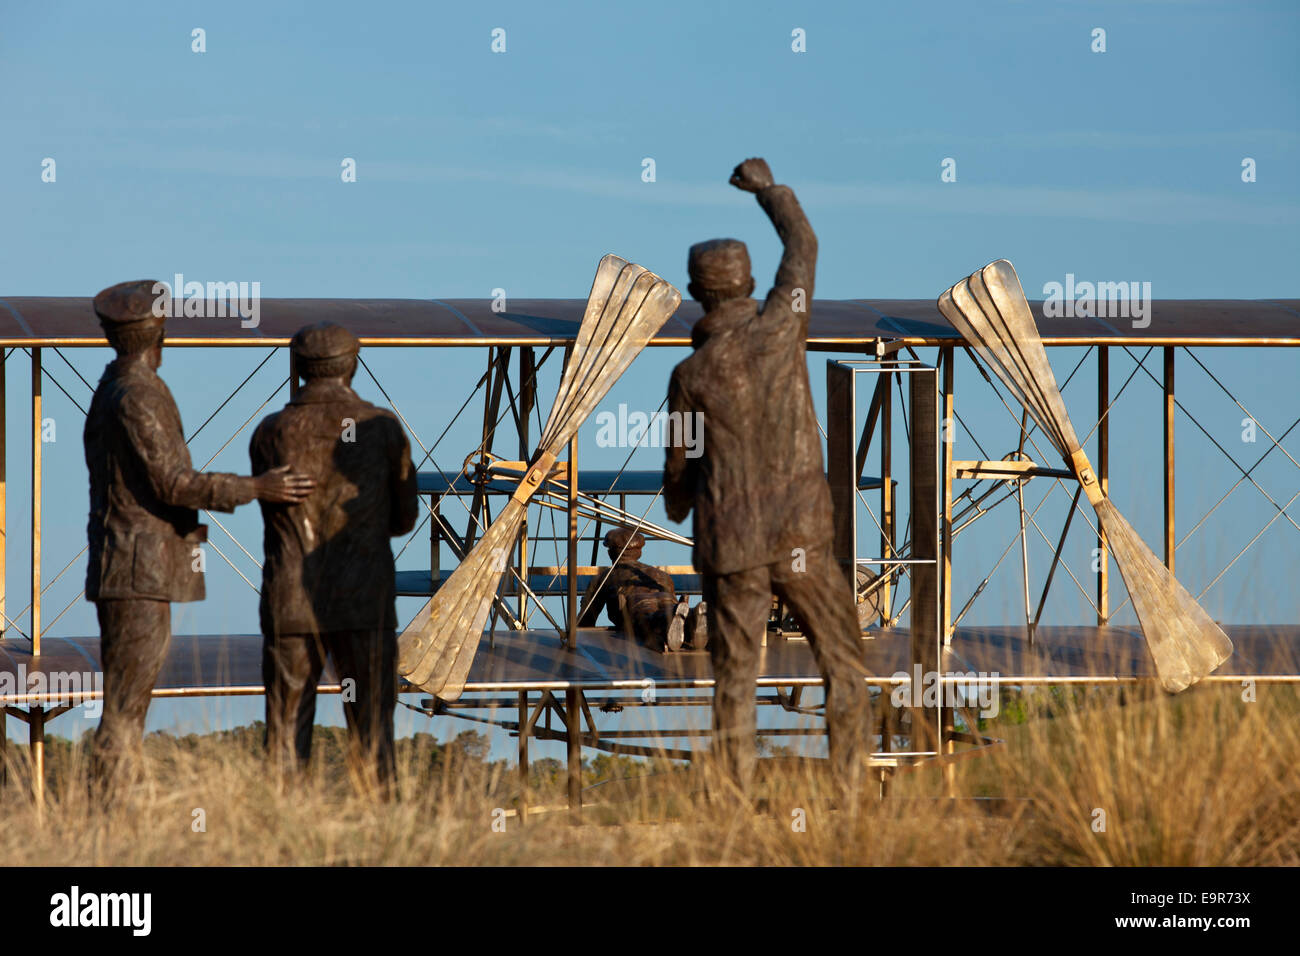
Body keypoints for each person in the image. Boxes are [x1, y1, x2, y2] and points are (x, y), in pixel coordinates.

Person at [663, 158, 870, 796]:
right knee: (843, 663)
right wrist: (769, 190)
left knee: (735, 676)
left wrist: (685, 497)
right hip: (802, 536)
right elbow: (803, 243)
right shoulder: (784, 327)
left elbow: (677, 482)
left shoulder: (690, 379)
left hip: (733, 548)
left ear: (697, 294)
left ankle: (732, 802)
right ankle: (851, 794)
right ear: (750, 283)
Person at [85, 279, 315, 798]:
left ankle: (110, 809)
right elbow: (174, 483)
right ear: (158, 334)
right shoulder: (136, 394)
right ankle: (108, 813)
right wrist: (259, 487)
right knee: (126, 704)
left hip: (131, 563)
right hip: (137, 567)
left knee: (127, 701)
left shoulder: (116, 388)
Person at [250, 322, 418, 797]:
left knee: (284, 725)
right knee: (373, 726)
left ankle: (280, 830)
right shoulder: (383, 428)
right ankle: (382, 827)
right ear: (352, 363)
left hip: (291, 595)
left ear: (300, 367)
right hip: (363, 597)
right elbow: (405, 518)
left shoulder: (271, 432)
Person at [577, 527, 705, 652]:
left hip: (638, 605)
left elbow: (585, 621)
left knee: (648, 620)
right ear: (639, 552)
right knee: (669, 609)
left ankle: (670, 622)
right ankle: (692, 617)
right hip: (669, 601)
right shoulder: (660, 574)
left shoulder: (604, 577)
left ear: (611, 552)